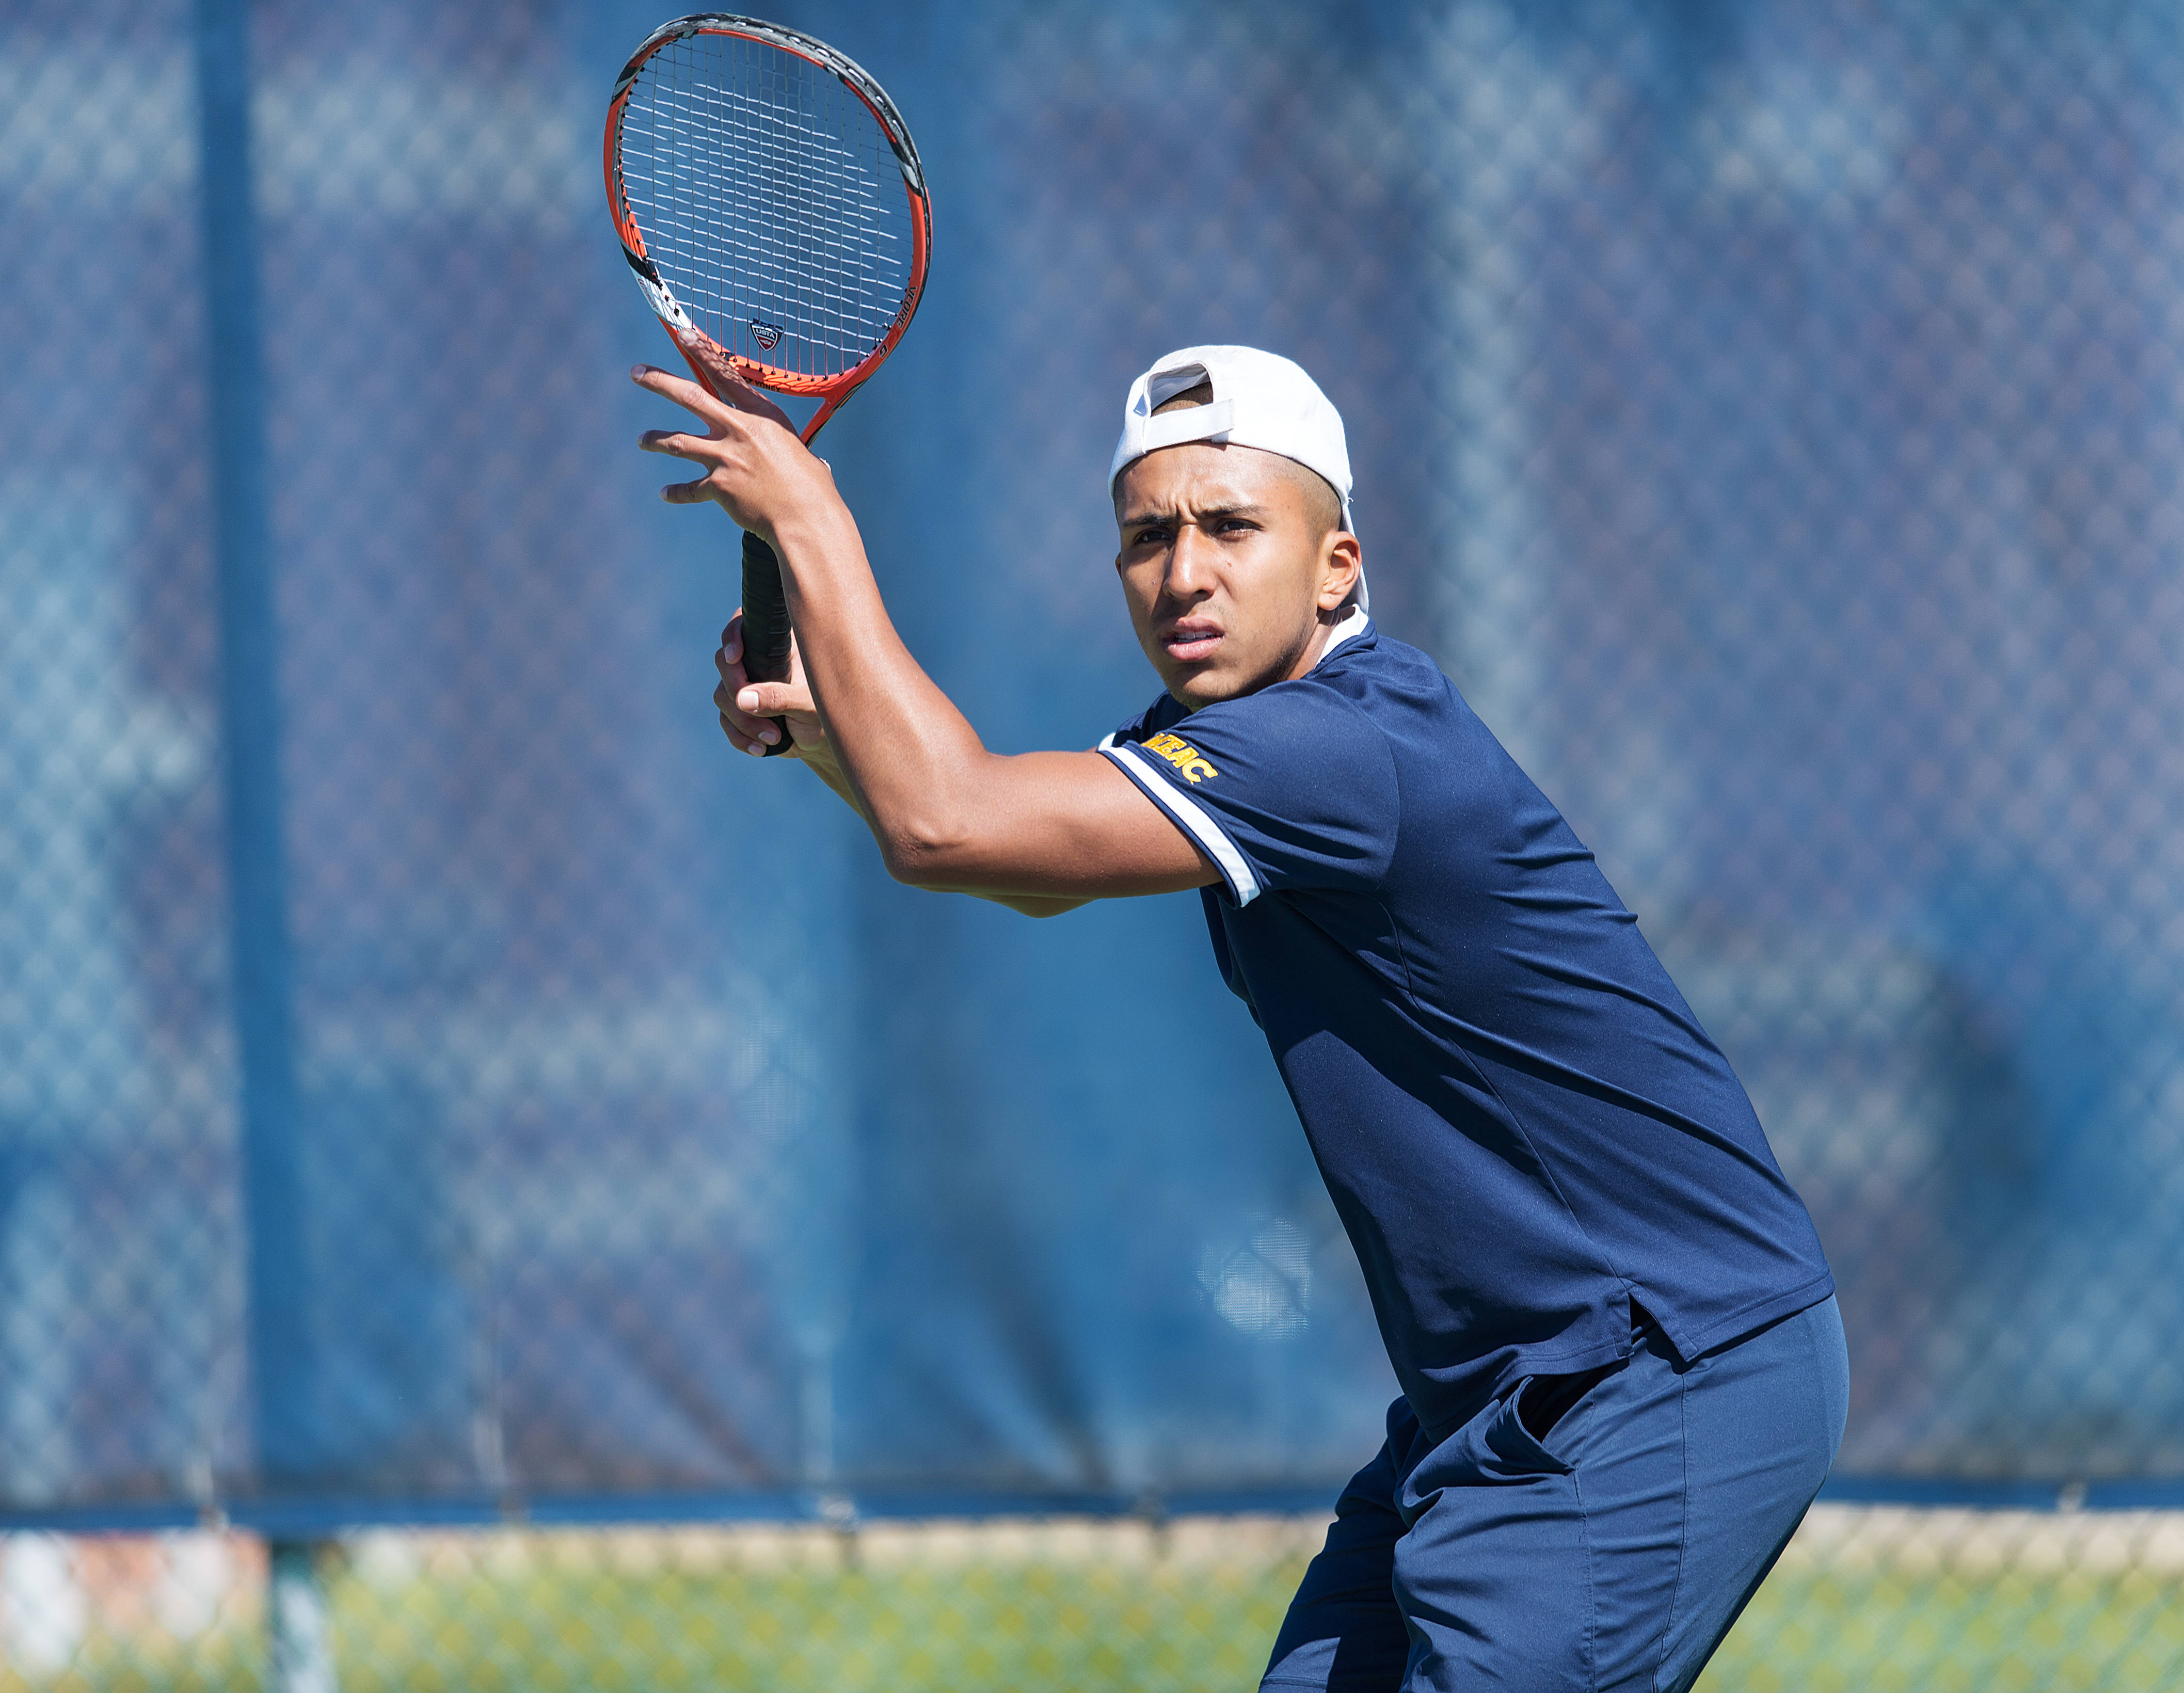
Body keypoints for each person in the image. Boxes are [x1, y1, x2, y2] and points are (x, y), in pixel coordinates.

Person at [635, 334, 1848, 1692]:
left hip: (1658, 1366)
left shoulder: (1341, 753)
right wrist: (821, 740)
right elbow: (1021, 865)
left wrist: (811, 518)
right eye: (1149, 536)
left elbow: (947, 821)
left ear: (1337, 564)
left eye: (1231, 526)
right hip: (1502, 1385)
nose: (1187, 571)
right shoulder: (1242, 747)